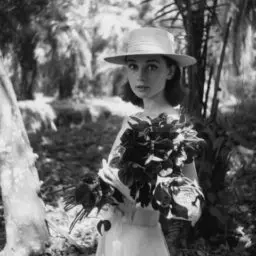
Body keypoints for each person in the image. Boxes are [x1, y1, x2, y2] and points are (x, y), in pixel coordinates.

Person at [96, 27, 203, 256]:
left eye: (152, 67)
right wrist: (100, 187)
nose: (140, 76)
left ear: (171, 71)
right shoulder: (131, 119)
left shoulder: (175, 126)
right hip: (112, 233)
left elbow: (192, 204)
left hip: (141, 241)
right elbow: (113, 173)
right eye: (133, 66)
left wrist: (126, 188)